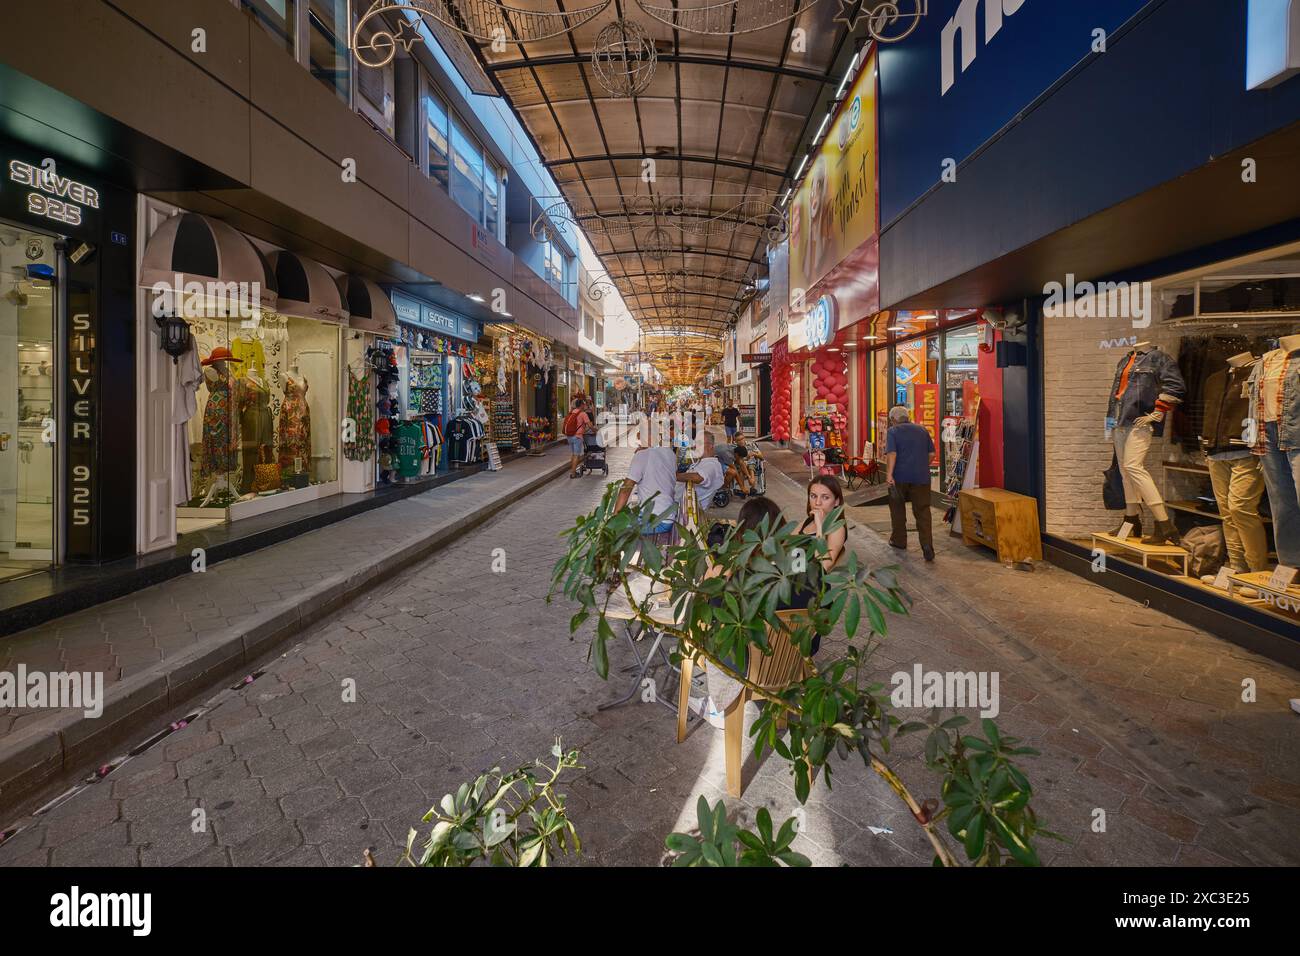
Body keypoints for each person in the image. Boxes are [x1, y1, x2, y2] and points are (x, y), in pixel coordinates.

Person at [884, 404, 936, 561]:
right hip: (921, 478)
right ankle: (927, 546)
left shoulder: (893, 431)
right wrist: (920, 465)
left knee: (897, 509)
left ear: (893, 419)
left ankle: (899, 541)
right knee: (923, 512)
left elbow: (892, 453)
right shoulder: (922, 430)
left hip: (899, 477)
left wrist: (889, 474)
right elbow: (932, 454)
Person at [614, 443, 680, 545]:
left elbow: (625, 490)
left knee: (613, 528)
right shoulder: (670, 453)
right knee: (627, 516)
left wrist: (614, 520)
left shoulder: (642, 456)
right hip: (666, 516)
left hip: (656, 521)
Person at [801, 475, 848, 572]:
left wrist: (819, 527)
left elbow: (824, 566)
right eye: (813, 496)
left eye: (825, 497)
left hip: (813, 584)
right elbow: (784, 546)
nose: (817, 502)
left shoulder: (837, 528)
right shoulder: (807, 522)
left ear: (836, 502)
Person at [677, 429, 726, 512]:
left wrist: (673, 476)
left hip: (684, 511)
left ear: (710, 446)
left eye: (699, 443)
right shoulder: (703, 462)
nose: (695, 446)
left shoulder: (712, 464)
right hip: (680, 504)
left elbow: (699, 477)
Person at [562, 398, 592, 478]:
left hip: (569, 436)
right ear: (581, 405)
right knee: (576, 455)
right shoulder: (583, 414)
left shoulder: (571, 412)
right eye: (584, 404)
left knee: (573, 454)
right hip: (577, 437)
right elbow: (590, 425)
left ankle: (573, 470)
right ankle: (573, 473)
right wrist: (595, 430)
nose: (585, 405)